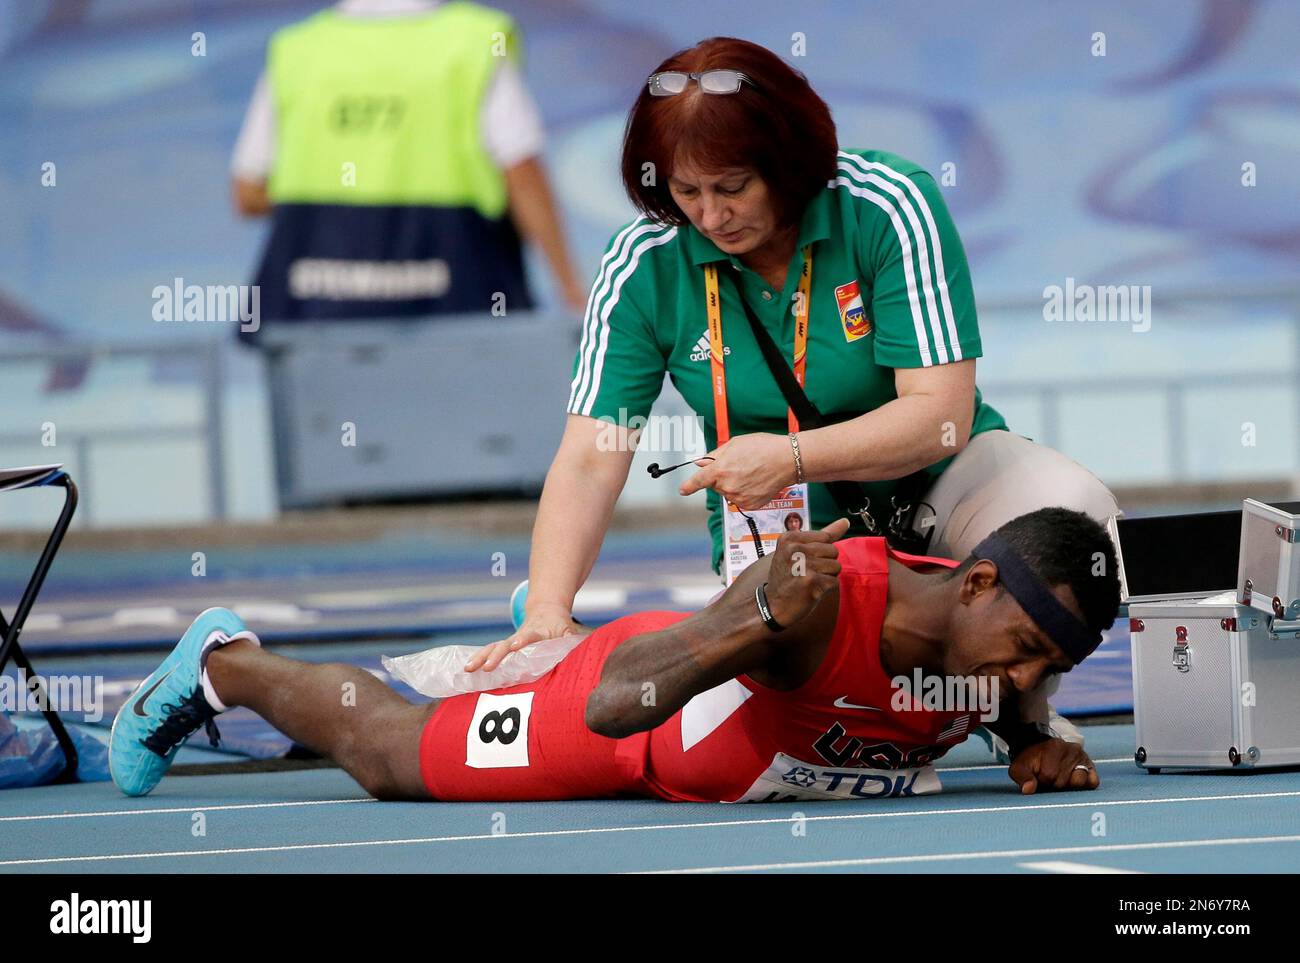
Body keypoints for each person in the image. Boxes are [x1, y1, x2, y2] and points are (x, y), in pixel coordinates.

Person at [471, 37, 1119, 754]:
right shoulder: (641, 264)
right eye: (687, 193)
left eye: (733, 186)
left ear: (788, 161)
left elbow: (939, 419)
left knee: (1076, 513)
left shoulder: (888, 205)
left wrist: (791, 455)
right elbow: (595, 456)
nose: (711, 218)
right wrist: (550, 609)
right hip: (784, 532)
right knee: (799, 718)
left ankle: (1021, 718)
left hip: (942, 487)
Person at [109, 507, 1120, 802]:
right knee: (384, 754)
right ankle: (222, 662)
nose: (1027, 678)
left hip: (693, 726)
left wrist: (1036, 738)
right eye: (1028, 651)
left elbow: (1014, 696)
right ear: (976, 582)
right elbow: (617, 708)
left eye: (1052, 667)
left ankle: (538, 643)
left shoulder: (990, 659)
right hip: (630, 734)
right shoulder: (817, 602)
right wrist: (757, 619)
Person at [230, 0, 588, 331]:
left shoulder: (297, 50)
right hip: (459, 301)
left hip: (316, 309)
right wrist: (571, 288)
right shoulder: (473, 42)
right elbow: (522, 173)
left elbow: (248, 193)